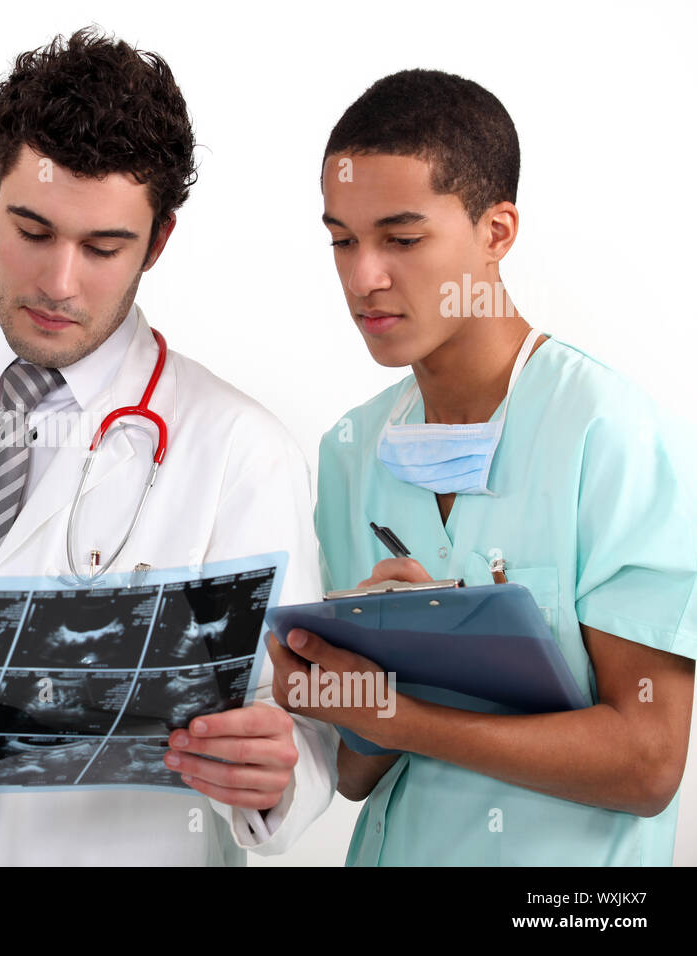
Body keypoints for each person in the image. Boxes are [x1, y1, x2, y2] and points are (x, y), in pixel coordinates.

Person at [0, 27, 338, 866]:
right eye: (33, 230)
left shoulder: (239, 451)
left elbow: (296, 732)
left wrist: (273, 768)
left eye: (102, 247)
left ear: (157, 243)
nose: (58, 282)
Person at [269, 69, 696, 865]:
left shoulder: (611, 437)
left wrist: (402, 715)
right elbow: (357, 774)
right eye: (342, 239)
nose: (365, 277)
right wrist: (345, 689)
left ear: (496, 232)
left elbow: (648, 762)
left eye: (401, 238)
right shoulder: (352, 451)